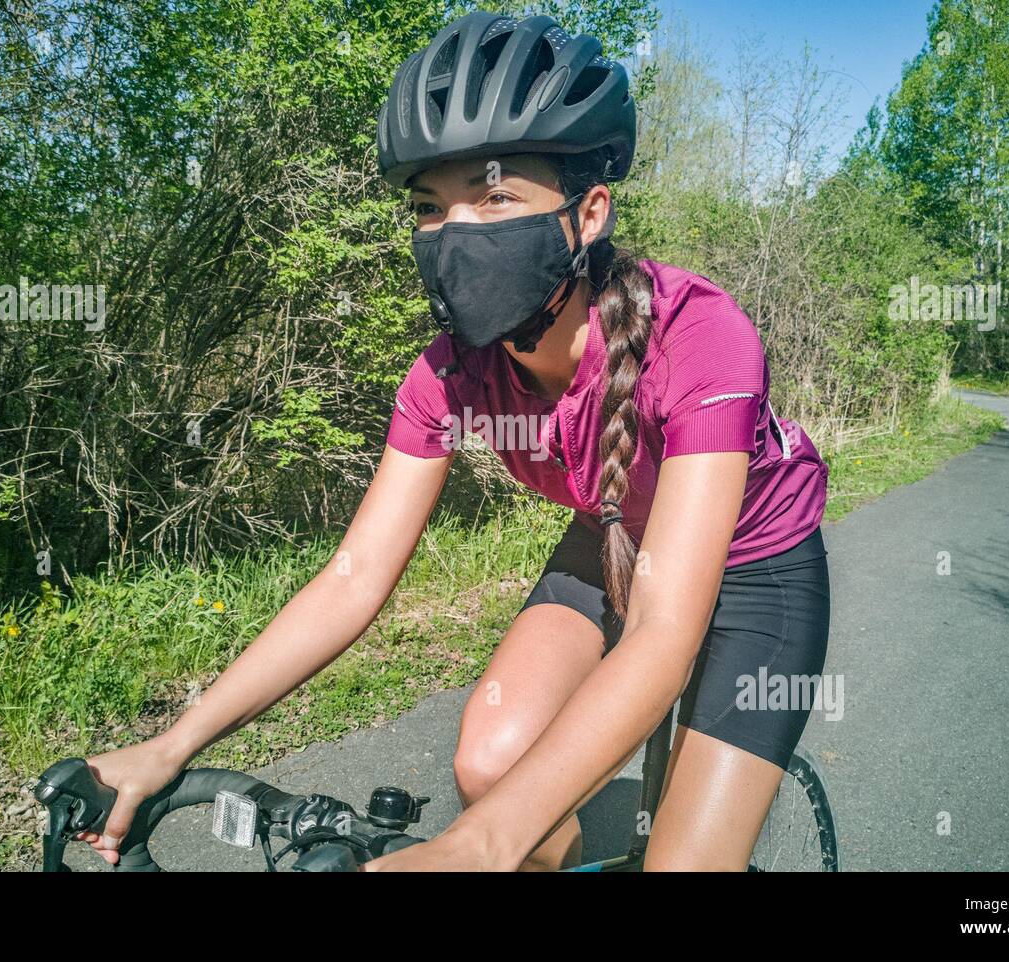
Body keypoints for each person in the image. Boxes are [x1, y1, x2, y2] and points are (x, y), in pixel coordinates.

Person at [76, 10, 832, 872]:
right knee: (489, 760)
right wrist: (172, 745)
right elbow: (354, 577)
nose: (457, 236)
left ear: (588, 214)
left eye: (497, 195)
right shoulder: (448, 373)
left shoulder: (701, 335)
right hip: (611, 533)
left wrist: (479, 845)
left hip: (759, 565)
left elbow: (665, 631)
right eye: (432, 208)